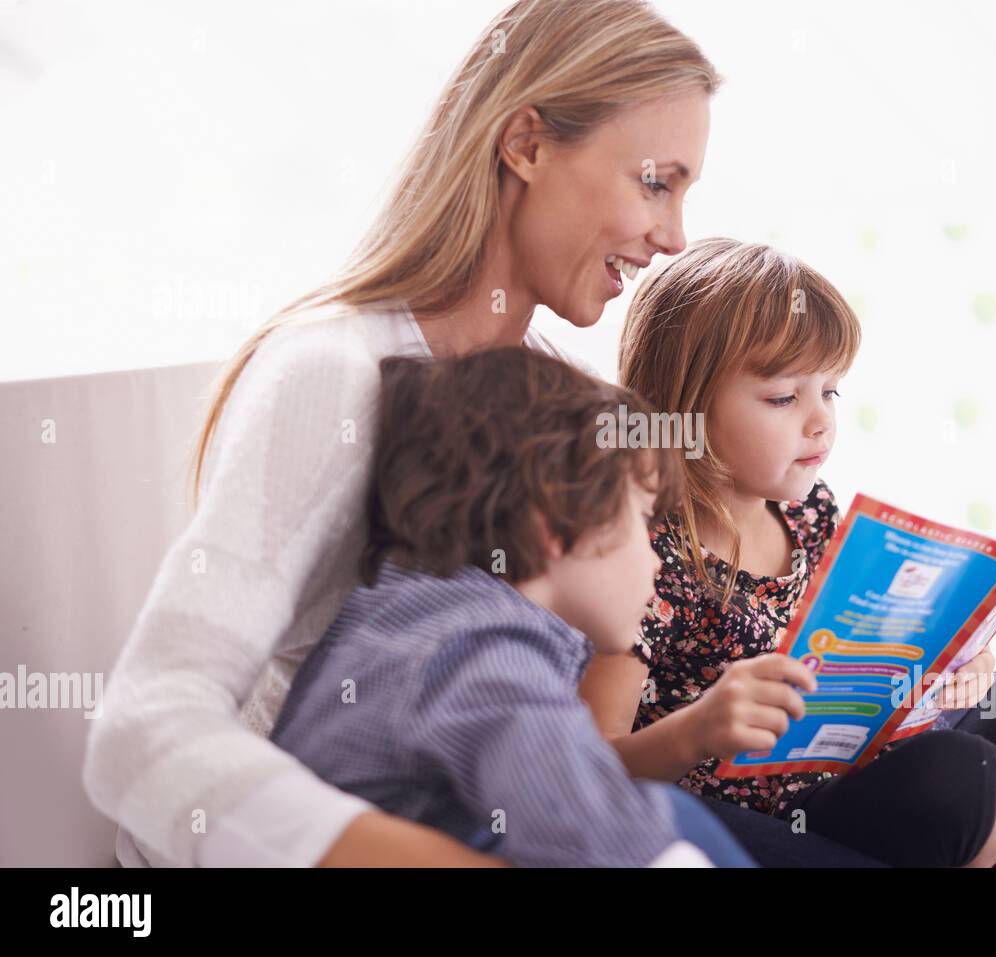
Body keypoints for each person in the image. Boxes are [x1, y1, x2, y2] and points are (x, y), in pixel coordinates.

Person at [83, 0, 718, 867]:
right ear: (526, 145)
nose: (676, 237)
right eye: (656, 181)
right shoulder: (335, 372)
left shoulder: (551, 394)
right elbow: (143, 727)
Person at [579, 237, 996, 867]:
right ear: (686, 407)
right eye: (785, 397)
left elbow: (868, 658)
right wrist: (698, 730)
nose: (820, 422)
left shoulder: (809, 512)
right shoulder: (645, 556)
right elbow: (587, 766)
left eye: (830, 392)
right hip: (773, 821)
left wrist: (956, 666)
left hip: (860, 773)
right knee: (971, 780)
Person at [270, 347, 756, 866]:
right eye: (641, 517)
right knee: (677, 820)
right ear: (557, 520)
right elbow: (598, 837)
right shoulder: (484, 655)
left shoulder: (406, 605)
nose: (657, 560)